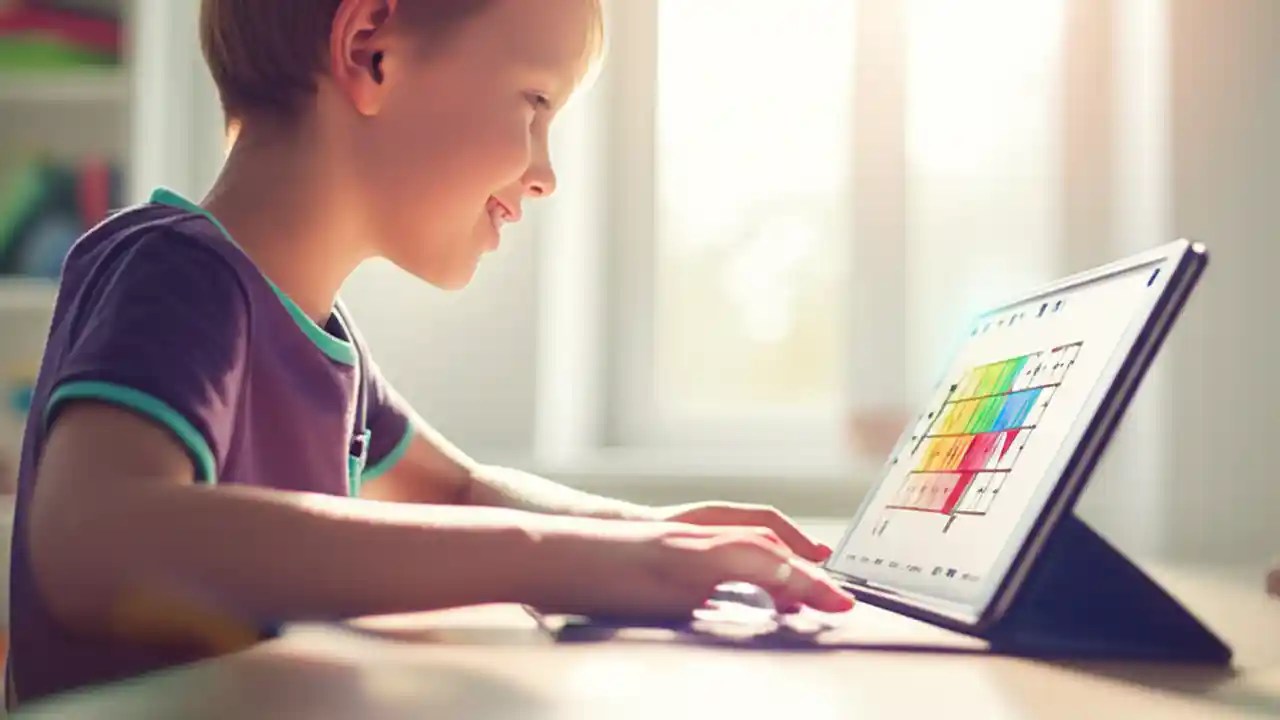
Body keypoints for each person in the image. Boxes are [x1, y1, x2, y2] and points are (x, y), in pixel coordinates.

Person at [5, 0, 855, 706]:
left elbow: (459, 489)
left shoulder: (324, 338)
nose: (547, 174)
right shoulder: (177, 272)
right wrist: (581, 563)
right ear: (370, 51)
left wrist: (651, 536)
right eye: (534, 103)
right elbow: (95, 538)